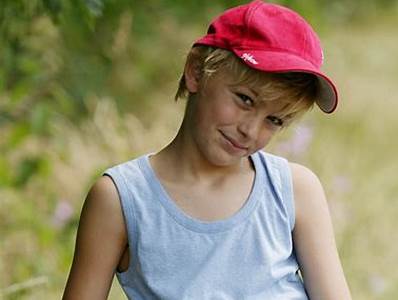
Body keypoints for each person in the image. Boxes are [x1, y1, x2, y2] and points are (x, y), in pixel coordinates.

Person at [62, 1, 352, 299]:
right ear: (196, 71)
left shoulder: (294, 190)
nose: (250, 131)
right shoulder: (121, 199)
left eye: (274, 119)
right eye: (245, 99)